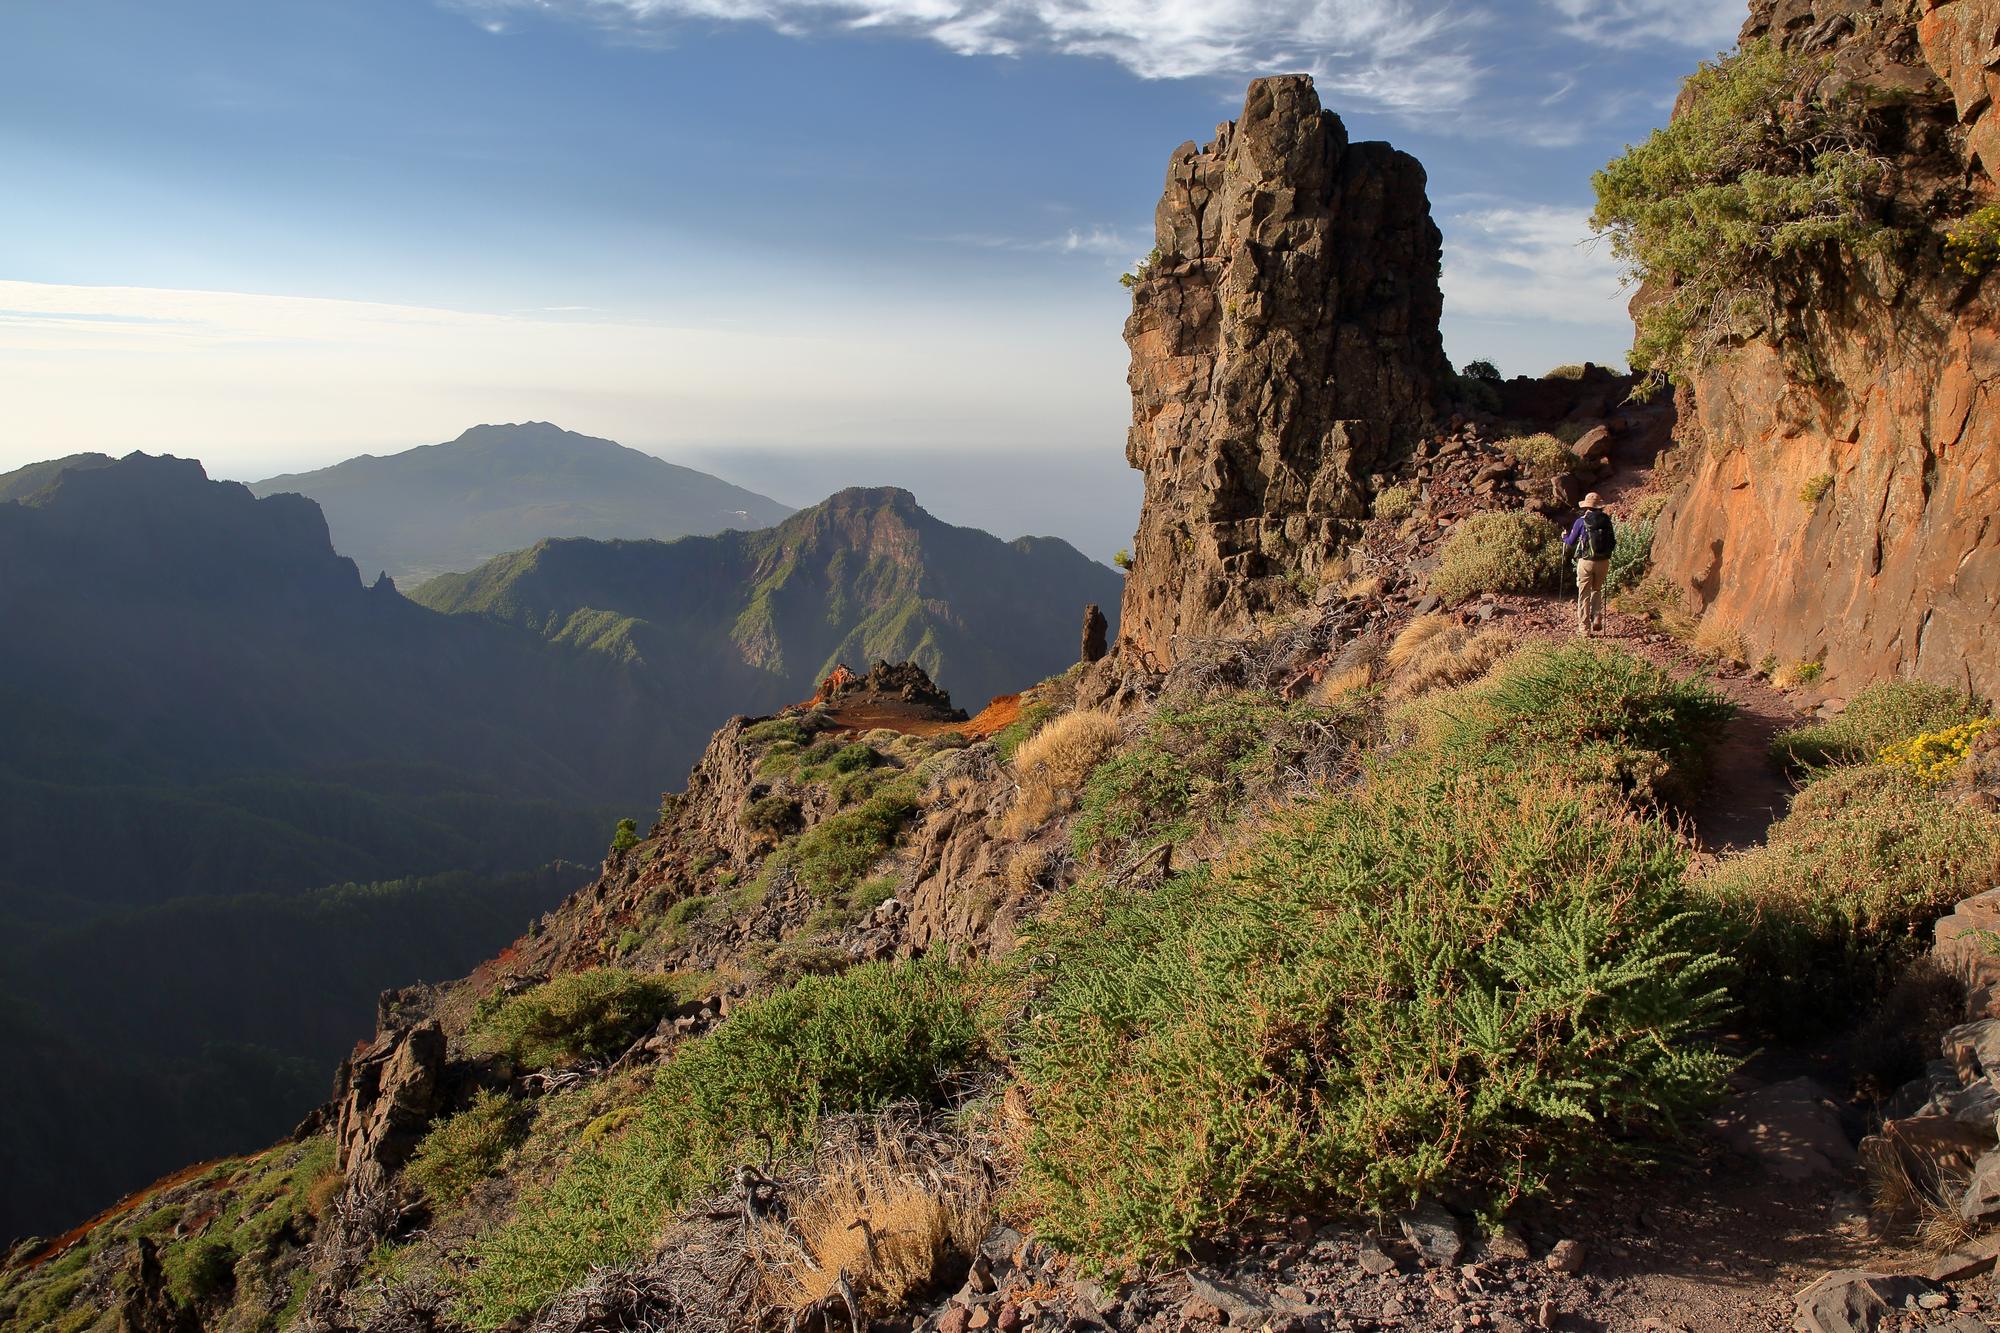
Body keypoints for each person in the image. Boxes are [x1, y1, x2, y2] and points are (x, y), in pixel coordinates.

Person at [1562, 493, 1615, 636]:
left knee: (1584, 594)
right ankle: (1597, 615)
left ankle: (1584, 630)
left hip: (1586, 562)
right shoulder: (1606, 520)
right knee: (1596, 590)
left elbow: (1571, 542)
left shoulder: (1581, 521)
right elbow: (1613, 542)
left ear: (1586, 506)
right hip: (1603, 561)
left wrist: (1564, 537)